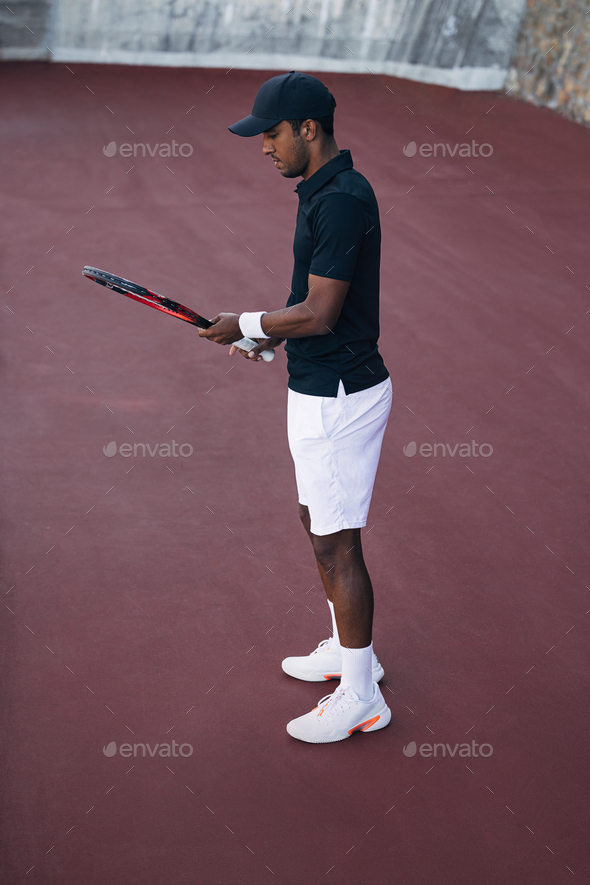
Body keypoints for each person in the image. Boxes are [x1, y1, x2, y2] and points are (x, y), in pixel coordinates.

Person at [198, 71, 393, 743]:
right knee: (318, 522)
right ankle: (348, 649)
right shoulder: (321, 191)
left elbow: (321, 311)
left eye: (272, 134)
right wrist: (268, 339)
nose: (264, 146)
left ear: (309, 130)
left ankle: (362, 695)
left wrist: (248, 323)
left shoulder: (340, 200)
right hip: (318, 384)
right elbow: (307, 303)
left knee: (338, 541)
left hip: (339, 395)